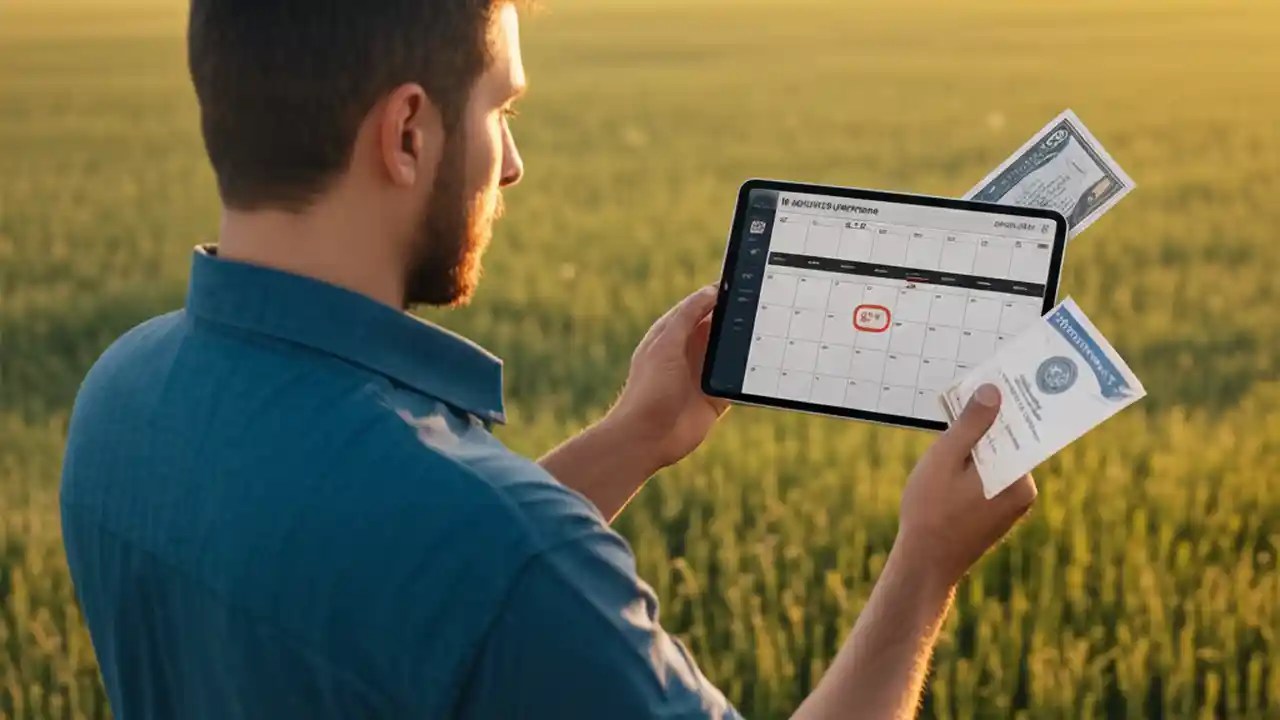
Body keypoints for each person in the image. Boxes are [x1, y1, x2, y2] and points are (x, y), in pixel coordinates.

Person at [59, 1, 1038, 718]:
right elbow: (472, 575)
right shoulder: (520, 560)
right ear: (406, 133)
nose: (512, 165)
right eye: (500, 112)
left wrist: (634, 435)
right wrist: (924, 564)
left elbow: (405, 593)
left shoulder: (119, 395)